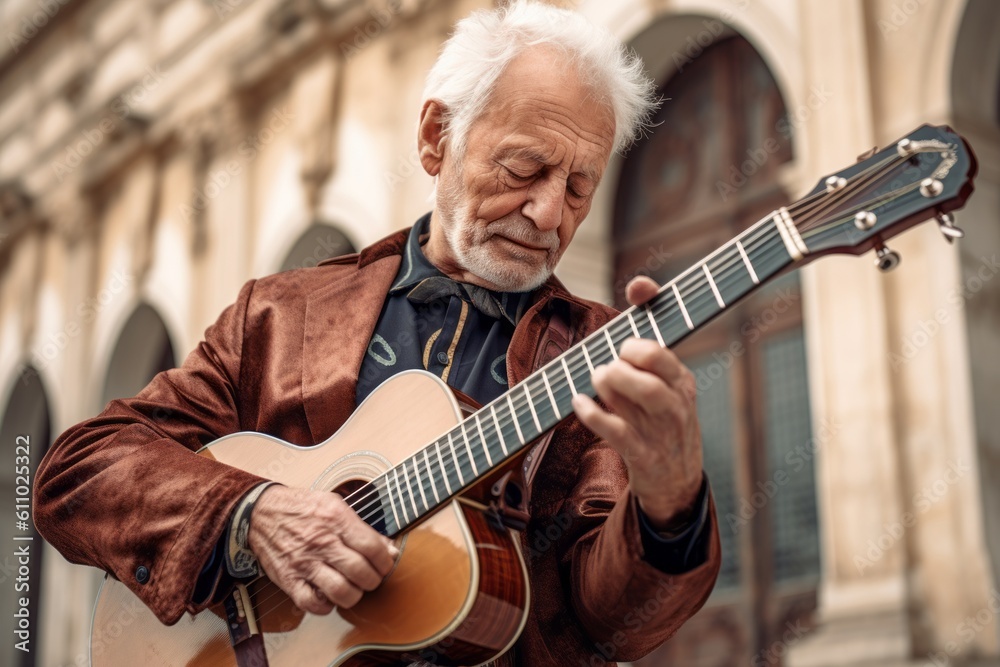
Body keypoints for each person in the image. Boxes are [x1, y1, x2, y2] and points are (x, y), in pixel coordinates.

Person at [35, 2, 721, 665]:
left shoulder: (601, 356)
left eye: (579, 188)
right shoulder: (278, 317)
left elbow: (614, 625)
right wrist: (248, 514)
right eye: (524, 169)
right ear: (435, 138)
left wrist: (669, 503)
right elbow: (77, 474)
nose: (548, 213)